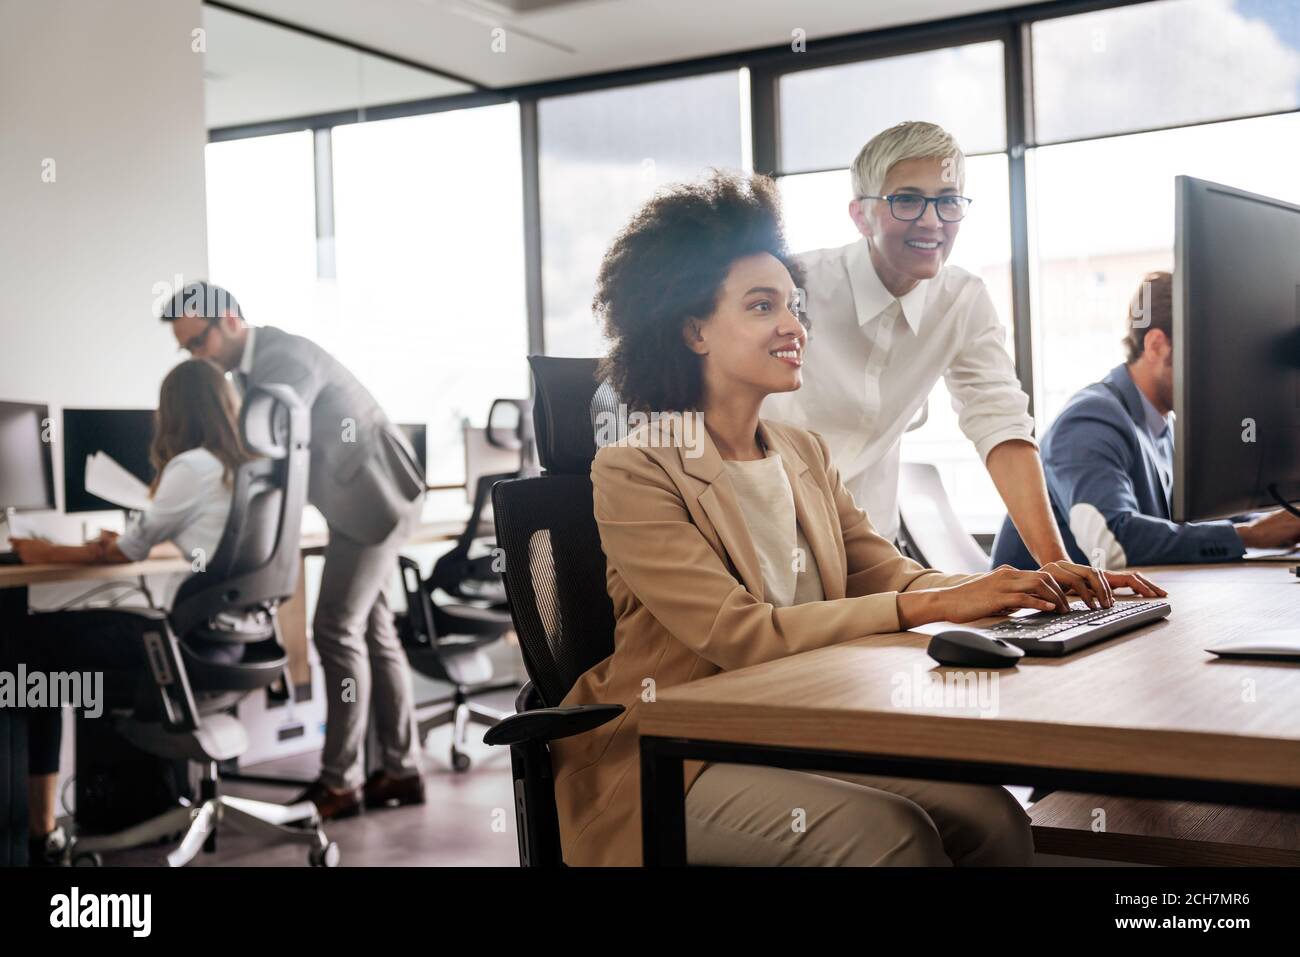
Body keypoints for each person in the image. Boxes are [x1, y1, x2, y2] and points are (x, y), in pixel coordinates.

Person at [549, 170, 1113, 868]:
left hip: (791, 728)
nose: (793, 326)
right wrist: (932, 602)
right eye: (762, 307)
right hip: (674, 753)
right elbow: (738, 632)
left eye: (793, 305)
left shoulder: (801, 452)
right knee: (892, 839)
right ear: (693, 328)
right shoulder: (638, 467)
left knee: (993, 816)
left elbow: (891, 573)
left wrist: (1010, 588)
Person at [762, 120, 1164, 607]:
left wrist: (1054, 561)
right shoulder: (795, 288)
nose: (932, 222)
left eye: (948, 201)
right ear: (861, 215)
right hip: (769, 544)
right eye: (907, 200)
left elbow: (999, 422)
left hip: (865, 558)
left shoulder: (961, 300)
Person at [158, 282, 426, 820]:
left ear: (229, 320)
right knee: (371, 631)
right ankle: (400, 771)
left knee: (334, 628)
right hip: (357, 507)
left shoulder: (282, 359)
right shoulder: (253, 371)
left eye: (197, 342)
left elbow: (265, 446)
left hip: (375, 502)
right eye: (186, 349)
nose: (196, 355)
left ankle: (341, 782)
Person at [9, 358, 254, 864]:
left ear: (174, 413)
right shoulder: (247, 467)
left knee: (30, 652)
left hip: (185, 651)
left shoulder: (191, 466)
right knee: (55, 646)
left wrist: (43, 552)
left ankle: (40, 831)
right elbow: (157, 543)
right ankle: (52, 821)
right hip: (236, 642)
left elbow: (128, 552)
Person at [991, 271, 1300, 568]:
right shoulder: (1089, 422)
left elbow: (1178, 526)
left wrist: (1263, 524)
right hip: (1040, 617)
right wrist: (1249, 536)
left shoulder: (1162, 426)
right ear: (1156, 345)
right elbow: (1116, 540)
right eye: (1209, 358)